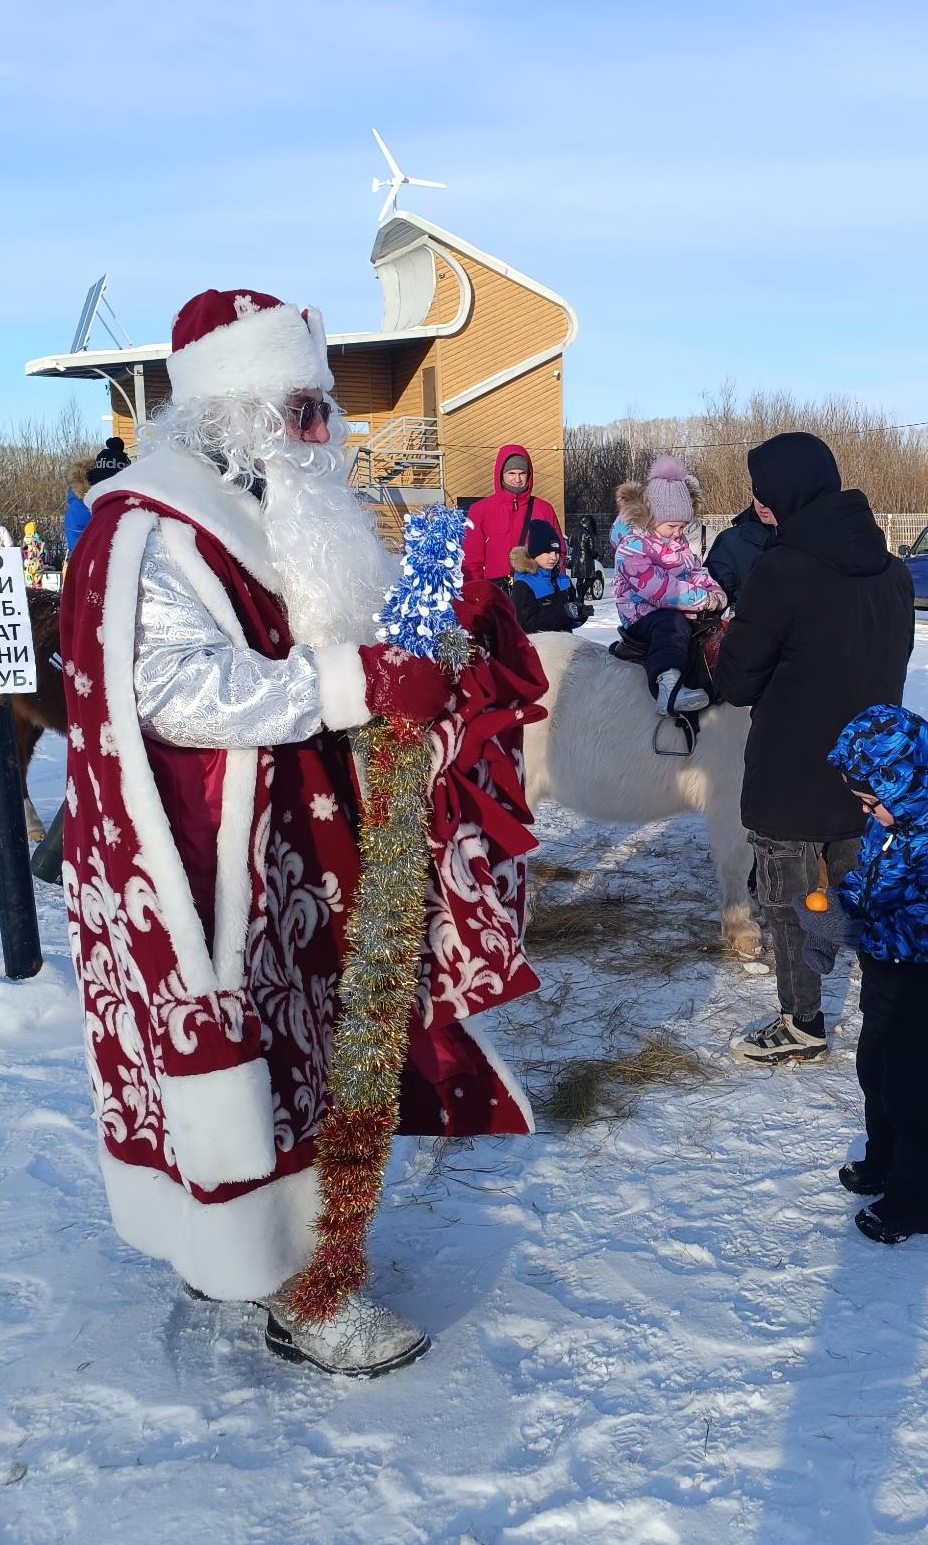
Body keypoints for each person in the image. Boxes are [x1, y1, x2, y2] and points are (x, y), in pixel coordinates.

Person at [62, 286, 543, 1378]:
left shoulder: (280, 507)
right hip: (212, 867)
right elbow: (178, 690)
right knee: (262, 1066)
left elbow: (330, 638)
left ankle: (259, 1251)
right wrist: (358, 680)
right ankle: (301, 1286)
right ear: (231, 412)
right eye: (304, 411)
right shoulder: (150, 527)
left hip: (307, 838)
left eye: (327, 410)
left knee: (321, 1055)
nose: (323, 435)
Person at [716, 432, 914, 1065]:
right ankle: (887, 1008)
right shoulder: (895, 571)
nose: (758, 503)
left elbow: (737, 681)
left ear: (787, 492)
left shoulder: (782, 570)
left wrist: (728, 640)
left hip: (793, 775)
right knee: (858, 893)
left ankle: (802, 1023)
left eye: (763, 491)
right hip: (867, 771)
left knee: (791, 904)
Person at [810, 704, 928, 1243]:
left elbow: (919, 936)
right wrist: (840, 903)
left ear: (903, 784)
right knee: (876, 1077)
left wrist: (851, 932)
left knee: (914, 1098)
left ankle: (917, 1201)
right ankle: (883, 1163)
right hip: (889, 990)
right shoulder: (893, 824)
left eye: (870, 801)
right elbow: (868, 877)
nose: (866, 812)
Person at [613, 456, 726, 714]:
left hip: (673, 608)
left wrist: (714, 591)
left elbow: (695, 570)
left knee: (709, 628)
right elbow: (660, 590)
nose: (678, 532)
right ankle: (669, 688)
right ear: (651, 518)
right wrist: (700, 599)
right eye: (672, 525)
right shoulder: (633, 547)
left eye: (683, 526)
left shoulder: (679, 544)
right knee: (671, 625)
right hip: (642, 612)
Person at [461, 443, 565, 585]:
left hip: (537, 590)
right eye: (511, 473)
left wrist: (557, 585)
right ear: (501, 474)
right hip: (496, 593)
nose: (517, 479)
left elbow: (559, 552)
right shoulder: (479, 511)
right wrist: (478, 593)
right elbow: (471, 559)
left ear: (529, 475)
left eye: (522, 473)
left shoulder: (544, 509)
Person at [511, 518, 587, 634]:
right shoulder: (524, 584)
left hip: (566, 645)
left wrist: (579, 615)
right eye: (547, 552)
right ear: (534, 553)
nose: (554, 557)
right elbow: (524, 625)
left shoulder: (564, 581)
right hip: (540, 649)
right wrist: (563, 613)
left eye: (556, 552)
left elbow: (569, 622)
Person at [704, 501, 774, 608]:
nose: (762, 503)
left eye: (771, 493)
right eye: (757, 494)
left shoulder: (805, 540)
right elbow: (713, 597)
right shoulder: (731, 541)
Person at [21, 520, 46, 587]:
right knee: (38, 582)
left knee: (29, 583)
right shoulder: (39, 540)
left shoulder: (25, 540)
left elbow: (24, 551)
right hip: (38, 565)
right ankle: (38, 591)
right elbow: (42, 552)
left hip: (28, 565)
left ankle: (30, 594)